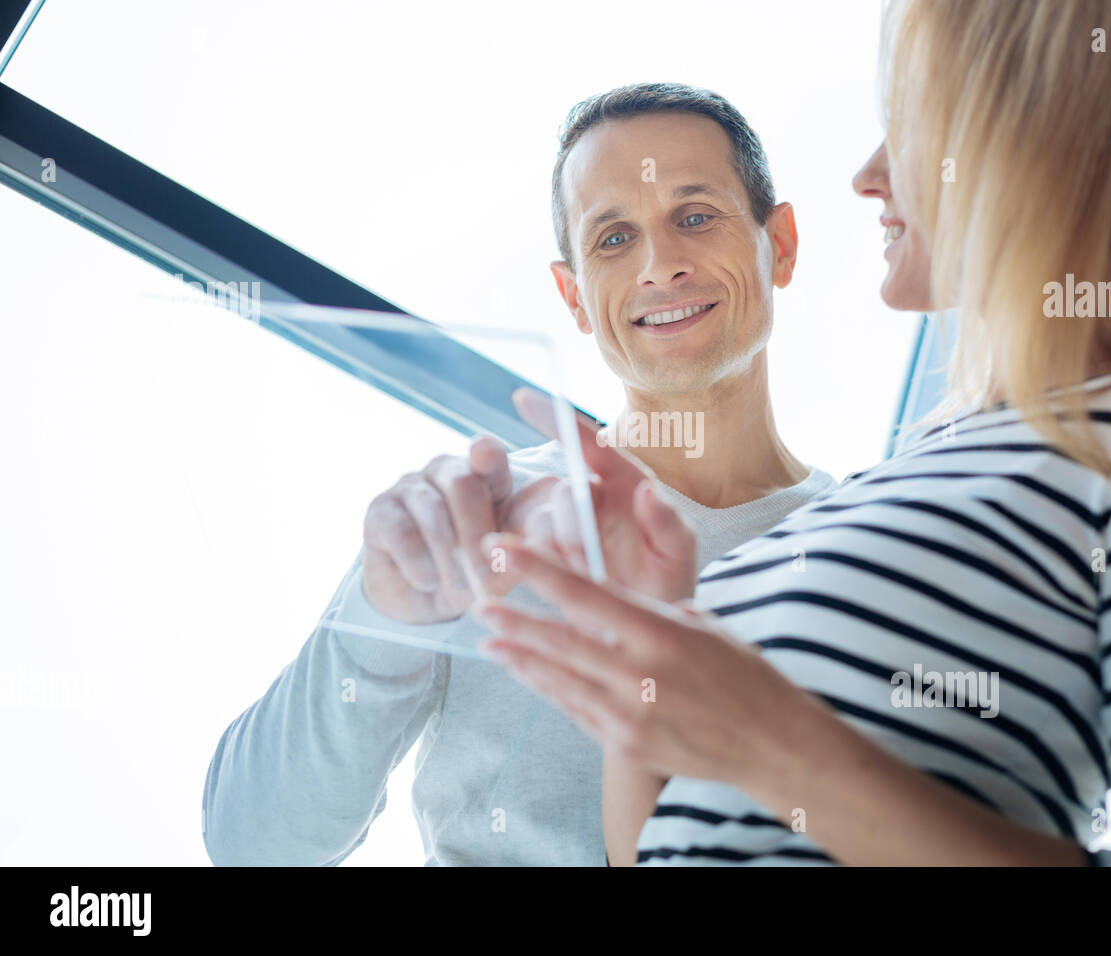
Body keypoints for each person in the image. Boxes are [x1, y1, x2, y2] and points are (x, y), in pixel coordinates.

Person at [477, 0, 1111, 866]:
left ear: (1042, 144)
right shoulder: (894, 483)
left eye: (910, 128)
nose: (869, 175)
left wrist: (774, 742)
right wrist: (650, 618)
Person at [201, 82, 838, 866]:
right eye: (611, 239)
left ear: (783, 243)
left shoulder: (867, 545)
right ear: (573, 297)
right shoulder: (480, 519)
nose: (660, 265)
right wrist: (387, 618)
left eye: (695, 217)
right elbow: (251, 846)